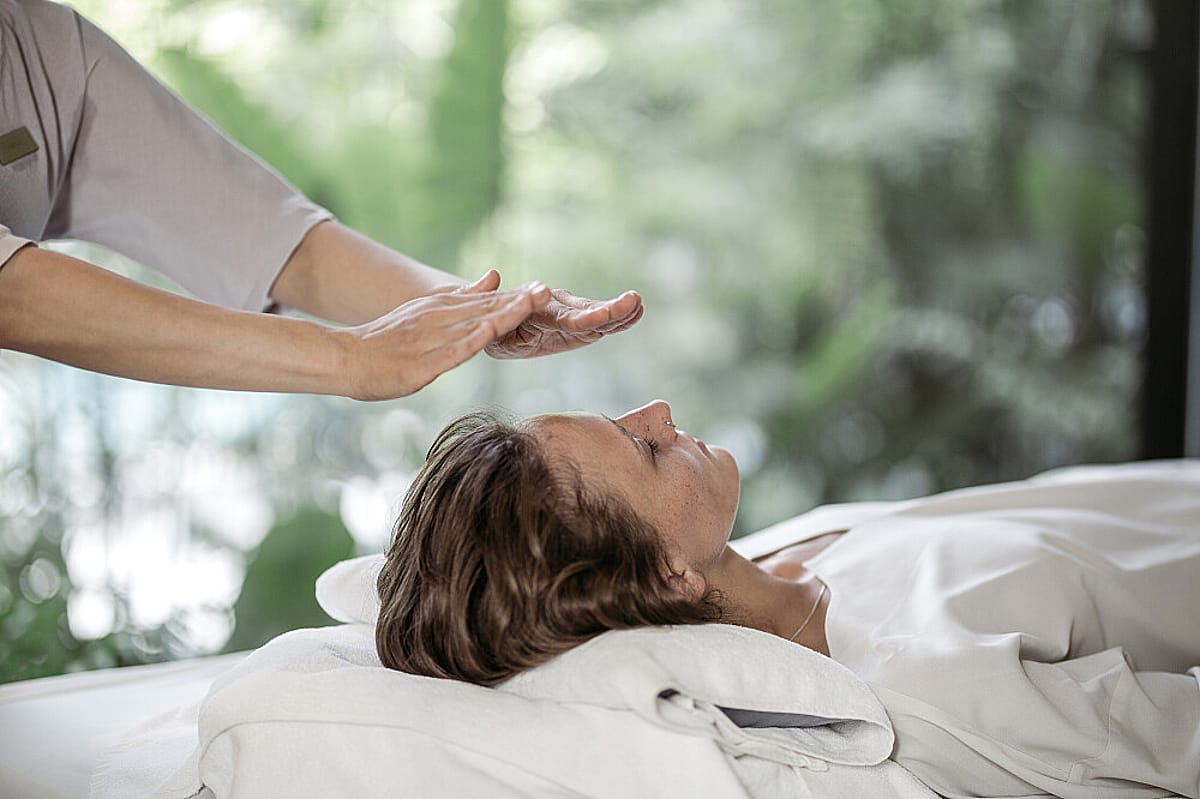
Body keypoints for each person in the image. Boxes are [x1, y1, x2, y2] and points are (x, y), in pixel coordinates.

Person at [375, 400, 1200, 799]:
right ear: (667, 577)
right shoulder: (932, 683)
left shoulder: (771, 560)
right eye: (642, 447)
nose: (659, 413)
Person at [0, 0, 642, 400]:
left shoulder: (38, 44)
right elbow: (14, 295)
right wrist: (351, 358)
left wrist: (484, 313)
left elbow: (275, 245)